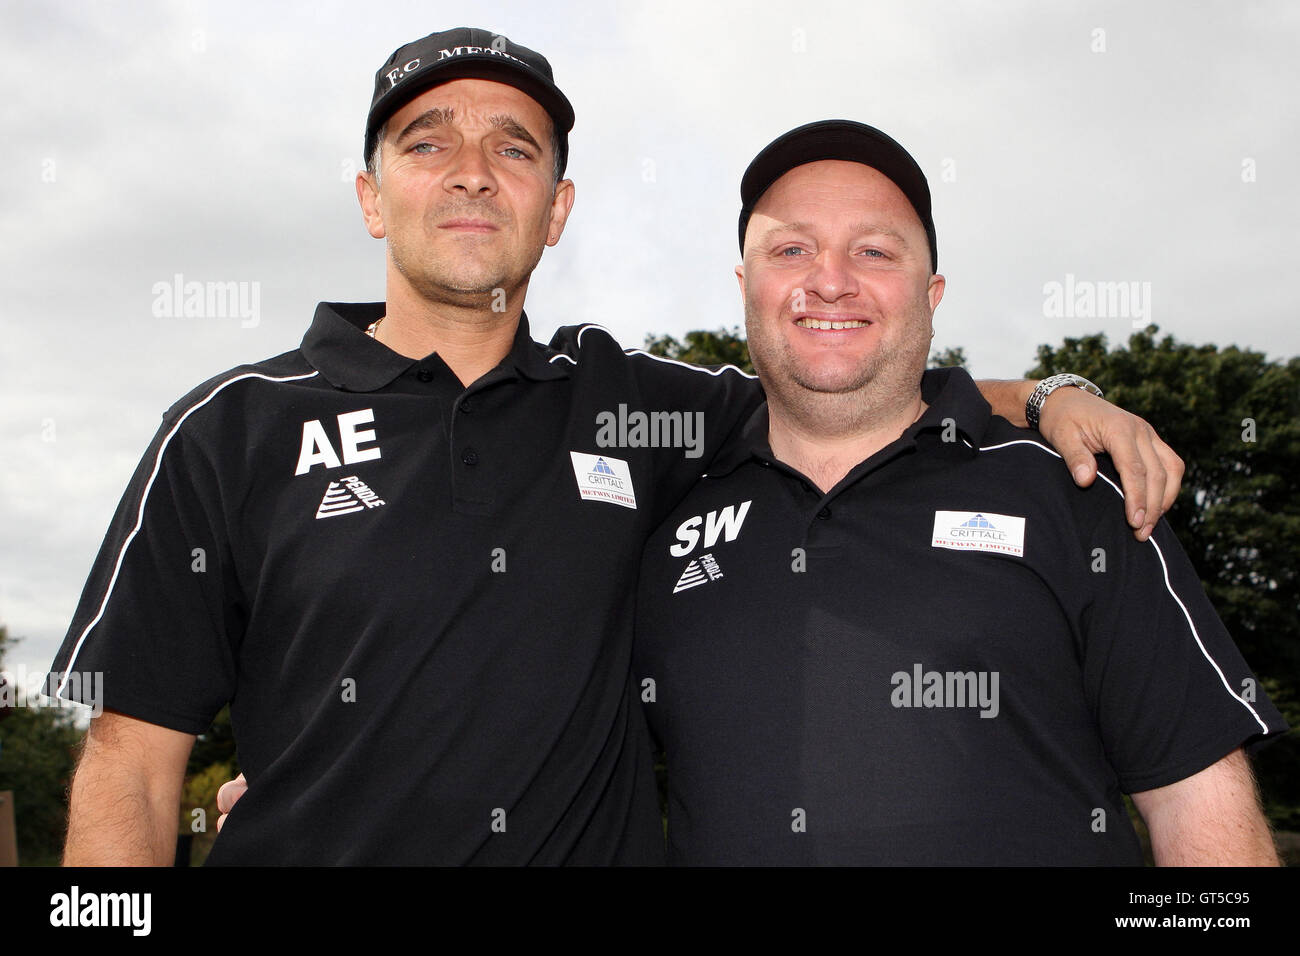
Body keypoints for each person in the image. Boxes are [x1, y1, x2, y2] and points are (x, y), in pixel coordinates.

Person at [48, 29, 1181, 865]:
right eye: (425, 139)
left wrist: (1048, 392)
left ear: (558, 206)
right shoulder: (230, 428)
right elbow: (130, 765)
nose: (472, 169)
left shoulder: (637, 409)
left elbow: (846, 380)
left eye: (515, 147)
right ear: (369, 195)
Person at [633, 120, 1287, 865]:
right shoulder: (660, 515)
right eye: (792, 250)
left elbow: (1200, 816)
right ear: (746, 285)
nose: (831, 279)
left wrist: (1050, 395)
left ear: (932, 293)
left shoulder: (1072, 489)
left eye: (874, 252)